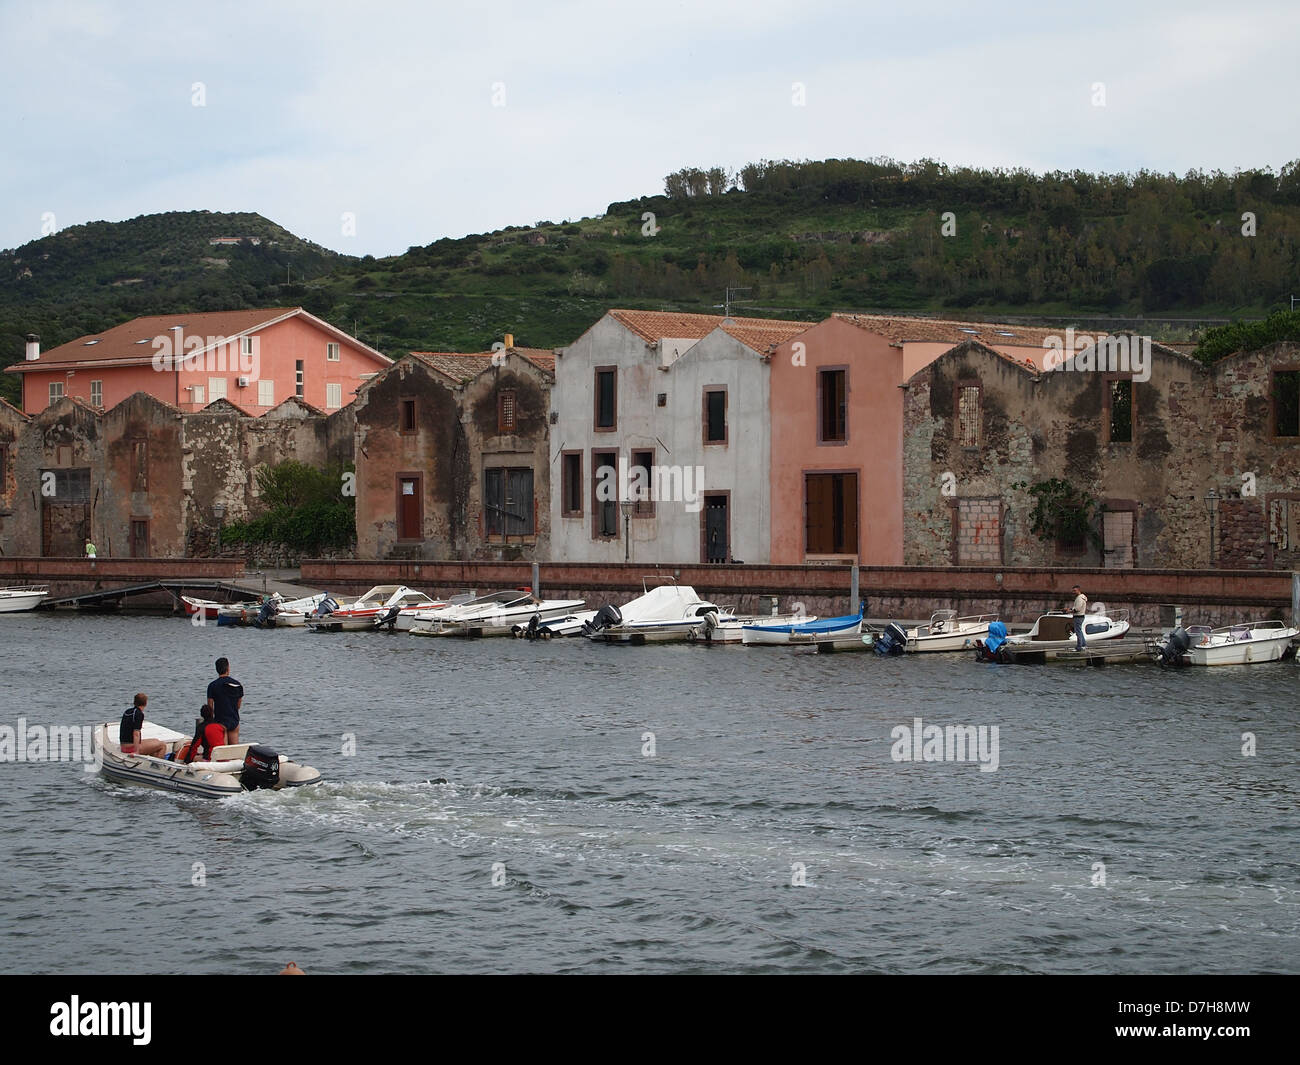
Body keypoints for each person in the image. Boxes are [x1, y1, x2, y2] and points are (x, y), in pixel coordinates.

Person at [206, 657, 244, 745]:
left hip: (220, 721)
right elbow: (238, 705)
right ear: (228, 668)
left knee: (223, 750)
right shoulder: (237, 684)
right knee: (234, 750)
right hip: (234, 719)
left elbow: (210, 706)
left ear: (217, 670)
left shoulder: (212, 686)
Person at [1070, 584, 1088, 650]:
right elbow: (1077, 607)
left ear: (1079, 590)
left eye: (1075, 590)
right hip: (1081, 616)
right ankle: (1084, 645)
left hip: (1078, 617)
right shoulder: (1082, 597)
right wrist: (1070, 609)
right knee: (1079, 631)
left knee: (1078, 632)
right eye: (1073, 591)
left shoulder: (1079, 598)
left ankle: (1079, 647)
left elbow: (1077, 609)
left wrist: (1069, 611)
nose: (1074, 592)